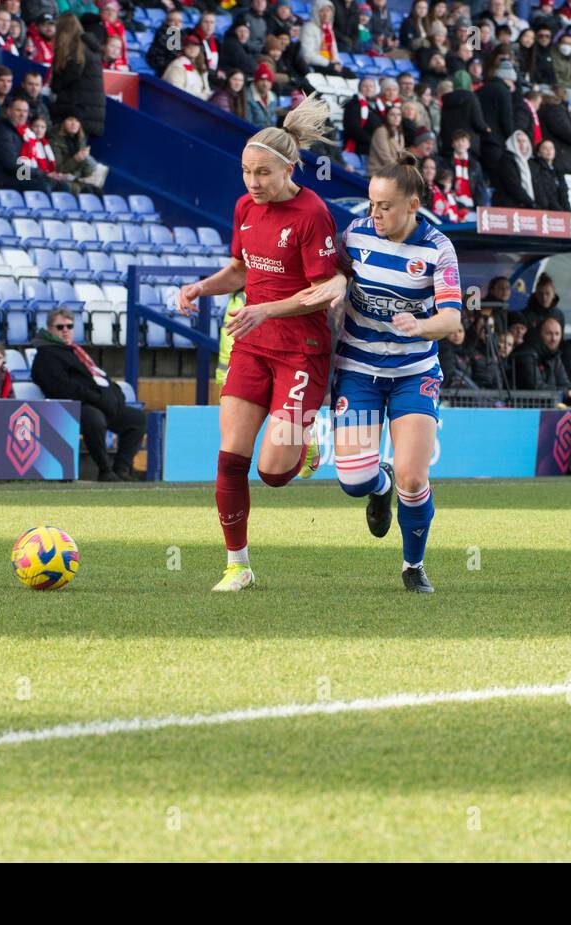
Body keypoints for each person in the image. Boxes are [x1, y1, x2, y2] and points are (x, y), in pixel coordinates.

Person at [175, 96, 345, 593]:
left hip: (301, 350)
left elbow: (323, 292)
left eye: (263, 173)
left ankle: (306, 443)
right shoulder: (245, 207)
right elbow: (241, 268)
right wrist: (201, 287)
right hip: (253, 345)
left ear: (290, 168)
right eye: (247, 172)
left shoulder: (312, 212)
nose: (253, 182)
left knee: (272, 473)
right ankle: (238, 565)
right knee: (230, 457)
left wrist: (266, 308)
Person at [325, 153, 462, 593]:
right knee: (353, 481)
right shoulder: (356, 234)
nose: (375, 214)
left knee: (414, 477)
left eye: (385, 206)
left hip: (412, 371)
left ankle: (412, 565)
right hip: (358, 368)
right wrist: (335, 288)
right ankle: (377, 486)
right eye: (371, 204)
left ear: (412, 206)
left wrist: (420, 325)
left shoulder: (437, 248)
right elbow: (333, 274)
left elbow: (452, 320)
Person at [31, 308, 145, 481]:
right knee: (94, 418)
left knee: (136, 419)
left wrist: (115, 396)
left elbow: (98, 376)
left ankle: (121, 469)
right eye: (60, 327)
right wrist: (98, 398)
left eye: (69, 326)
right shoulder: (46, 354)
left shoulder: (76, 352)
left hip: (95, 402)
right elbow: (62, 387)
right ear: (49, 329)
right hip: (68, 407)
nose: (65, 330)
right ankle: (105, 470)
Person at [49, 12, 105, 138]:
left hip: (78, 110)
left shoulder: (75, 48)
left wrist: (54, 87)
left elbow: (72, 73)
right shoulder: (89, 46)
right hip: (90, 111)